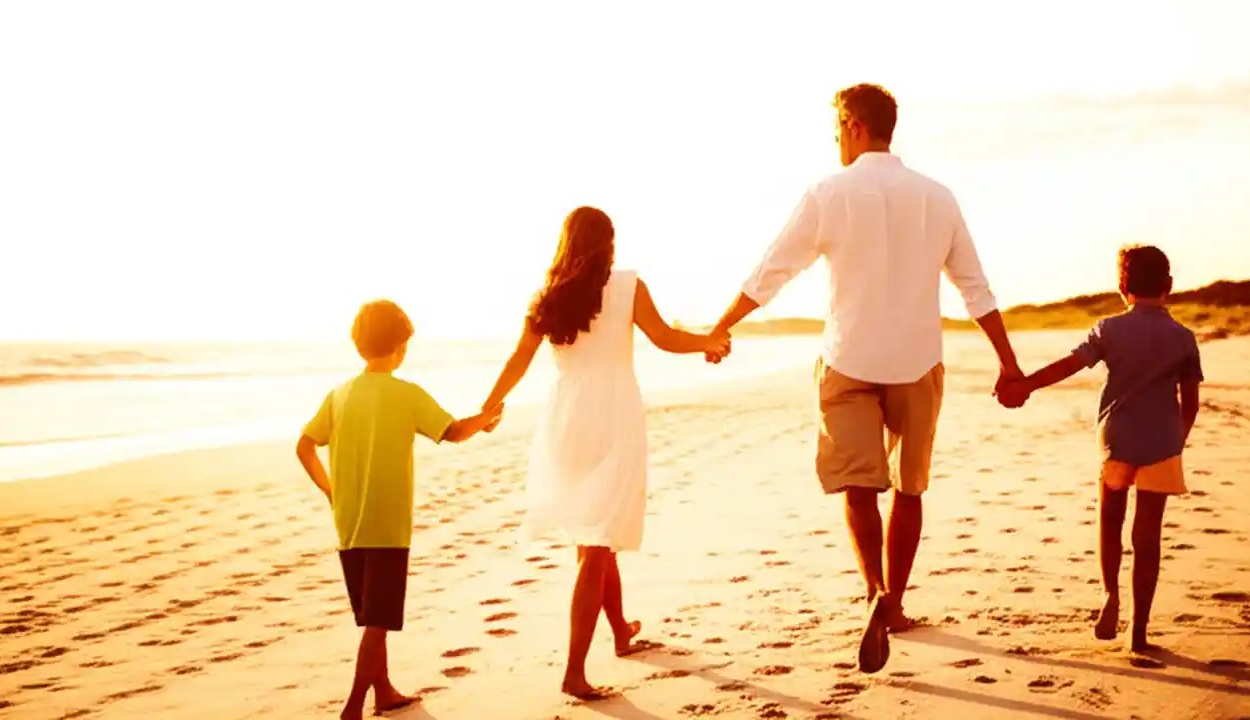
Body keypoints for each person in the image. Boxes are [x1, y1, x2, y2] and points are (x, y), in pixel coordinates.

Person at [707, 83, 1022, 674]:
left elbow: (774, 268)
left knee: (859, 485)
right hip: (917, 360)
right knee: (909, 486)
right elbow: (974, 287)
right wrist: (1008, 362)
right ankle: (896, 603)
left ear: (853, 125)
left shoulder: (829, 193)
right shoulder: (937, 196)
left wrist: (722, 326)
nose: (835, 142)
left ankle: (873, 587)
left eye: (836, 131)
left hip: (849, 359)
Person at [481, 206, 730, 699]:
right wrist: (709, 342)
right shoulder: (628, 285)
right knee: (595, 543)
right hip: (614, 414)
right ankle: (574, 671)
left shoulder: (549, 297)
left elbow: (520, 358)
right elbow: (663, 337)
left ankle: (619, 631)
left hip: (567, 417)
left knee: (596, 534)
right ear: (607, 243)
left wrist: (489, 407)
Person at [295, 300, 502, 720]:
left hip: (348, 523)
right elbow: (454, 432)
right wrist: (487, 417)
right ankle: (352, 708)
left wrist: (331, 490)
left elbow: (304, 446)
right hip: (387, 524)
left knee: (374, 613)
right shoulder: (405, 393)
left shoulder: (338, 395)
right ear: (401, 345)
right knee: (379, 620)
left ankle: (384, 690)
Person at [997, 246, 1202, 652]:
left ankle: (1110, 594)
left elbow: (1070, 364)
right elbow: (1190, 401)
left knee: (1110, 518)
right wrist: (1176, 440)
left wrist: (1025, 385)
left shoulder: (1108, 329)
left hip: (1117, 439)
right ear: (1169, 286)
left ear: (1122, 287)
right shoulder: (1182, 337)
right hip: (1162, 440)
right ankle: (1138, 632)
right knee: (1148, 536)